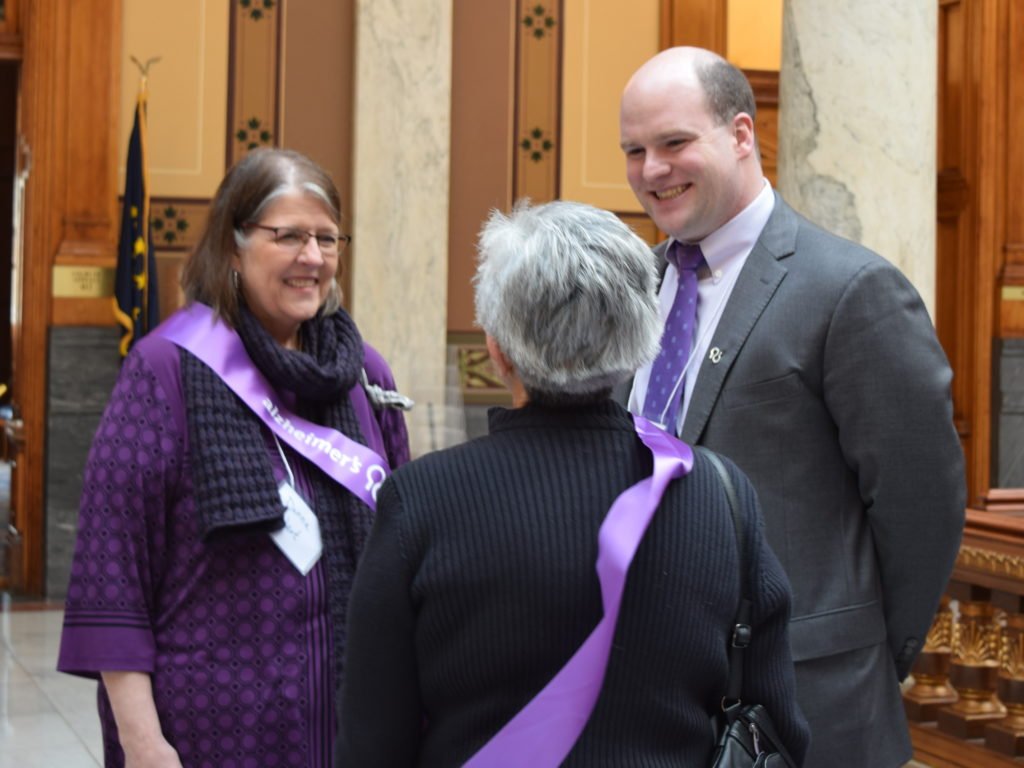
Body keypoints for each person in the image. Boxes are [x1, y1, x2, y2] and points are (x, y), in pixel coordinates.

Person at [334, 200, 809, 766]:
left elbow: (372, 740)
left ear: (497, 349)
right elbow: (776, 723)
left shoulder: (421, 502)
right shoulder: (721, 495)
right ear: (644, 335)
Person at [619, 47, 966, 767]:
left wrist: (859, 652)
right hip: (660, 700)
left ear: (741, 134)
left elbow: (921, 504)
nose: (653, 170)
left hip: (813, 710)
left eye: (675, 143)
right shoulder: (634, 290)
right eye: (634, 150)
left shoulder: (851, 289)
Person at [57, 148, 410, 768]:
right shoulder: (164, 371)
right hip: (207, 735)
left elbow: (406, 551)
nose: (313, 258)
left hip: (351, 730)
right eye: (290, 236)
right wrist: (144, 743)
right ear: (233, 247)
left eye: (327, 238)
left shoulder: (363, 375)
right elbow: (112, 577)